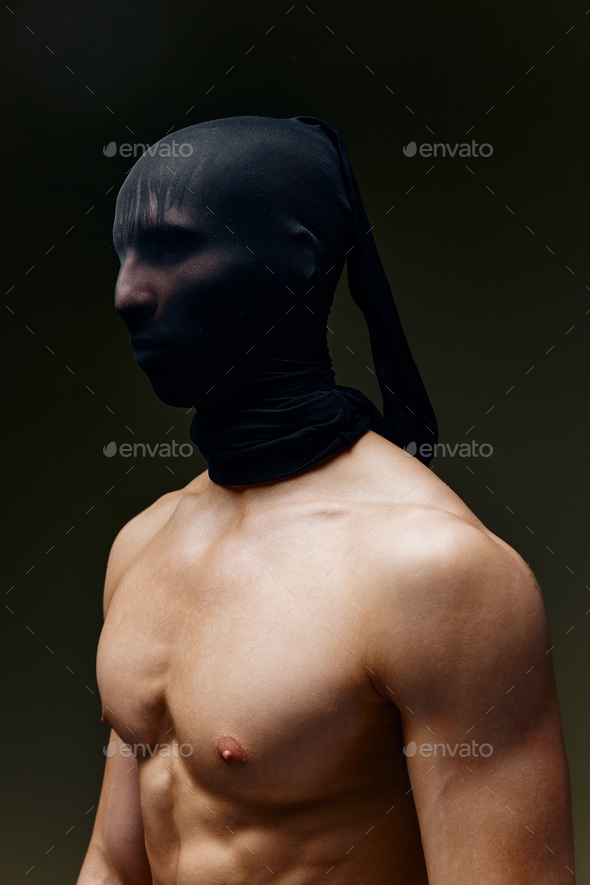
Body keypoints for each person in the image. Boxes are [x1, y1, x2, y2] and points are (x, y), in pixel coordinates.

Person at [78, 115, 575, 884]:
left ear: (295, 260)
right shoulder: (143, 545)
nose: (127, 293)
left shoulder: (434, 570)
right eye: (125, 254)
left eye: (172, 247)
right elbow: (114, 862)